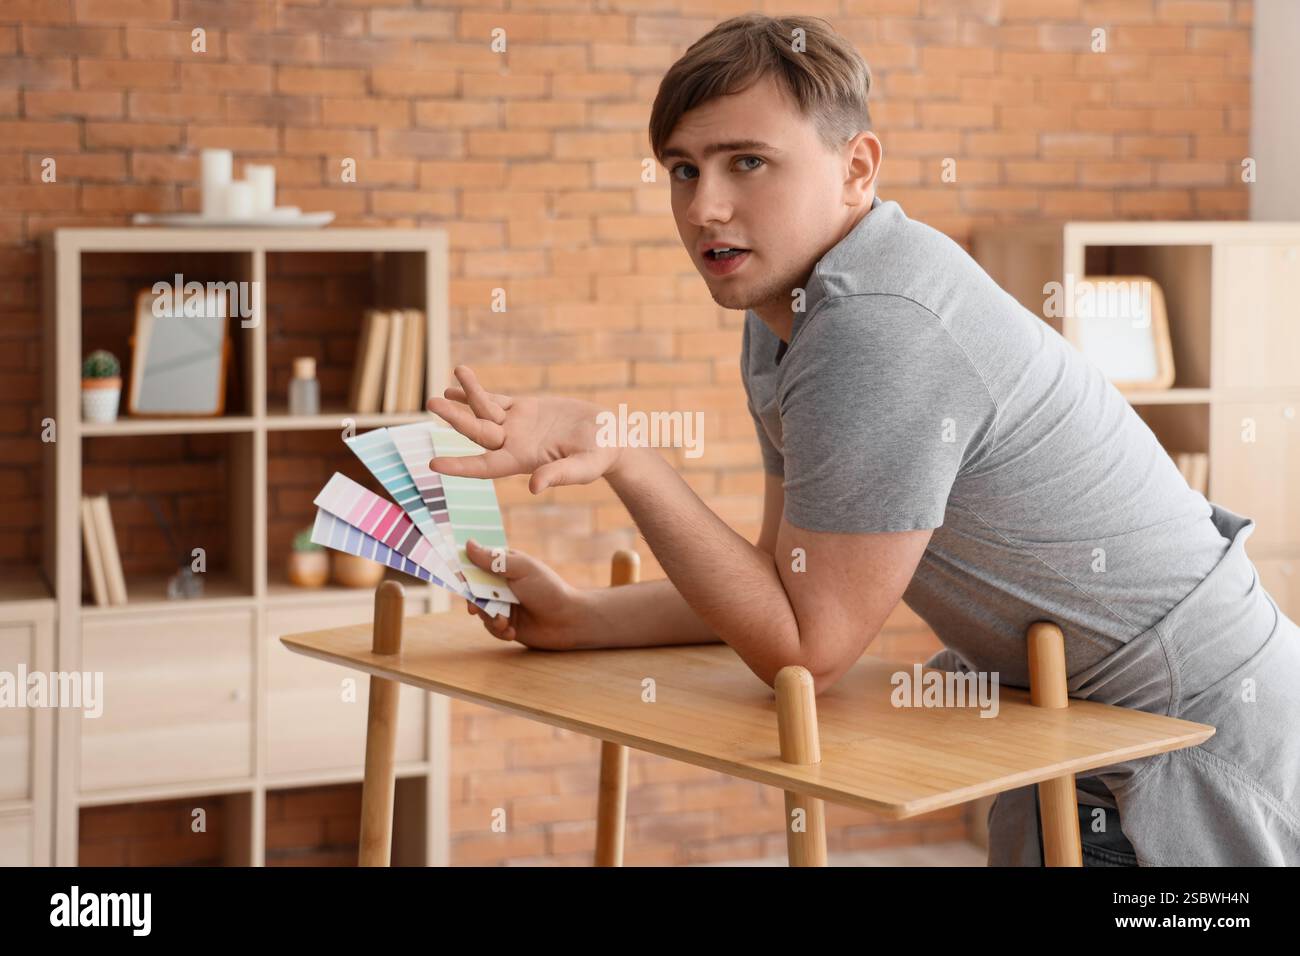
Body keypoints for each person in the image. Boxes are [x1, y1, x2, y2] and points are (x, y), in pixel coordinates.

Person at [427, 14, 1300, 867]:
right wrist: (583, 618)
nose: (706, 207)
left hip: (1195, 729)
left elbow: (808, 648)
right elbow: (783, 577)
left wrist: (624, 454)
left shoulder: (878, 325)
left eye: (749, 163)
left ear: (857, 169)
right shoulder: (788, 315)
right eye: (682, 170)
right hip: (1076, 722)